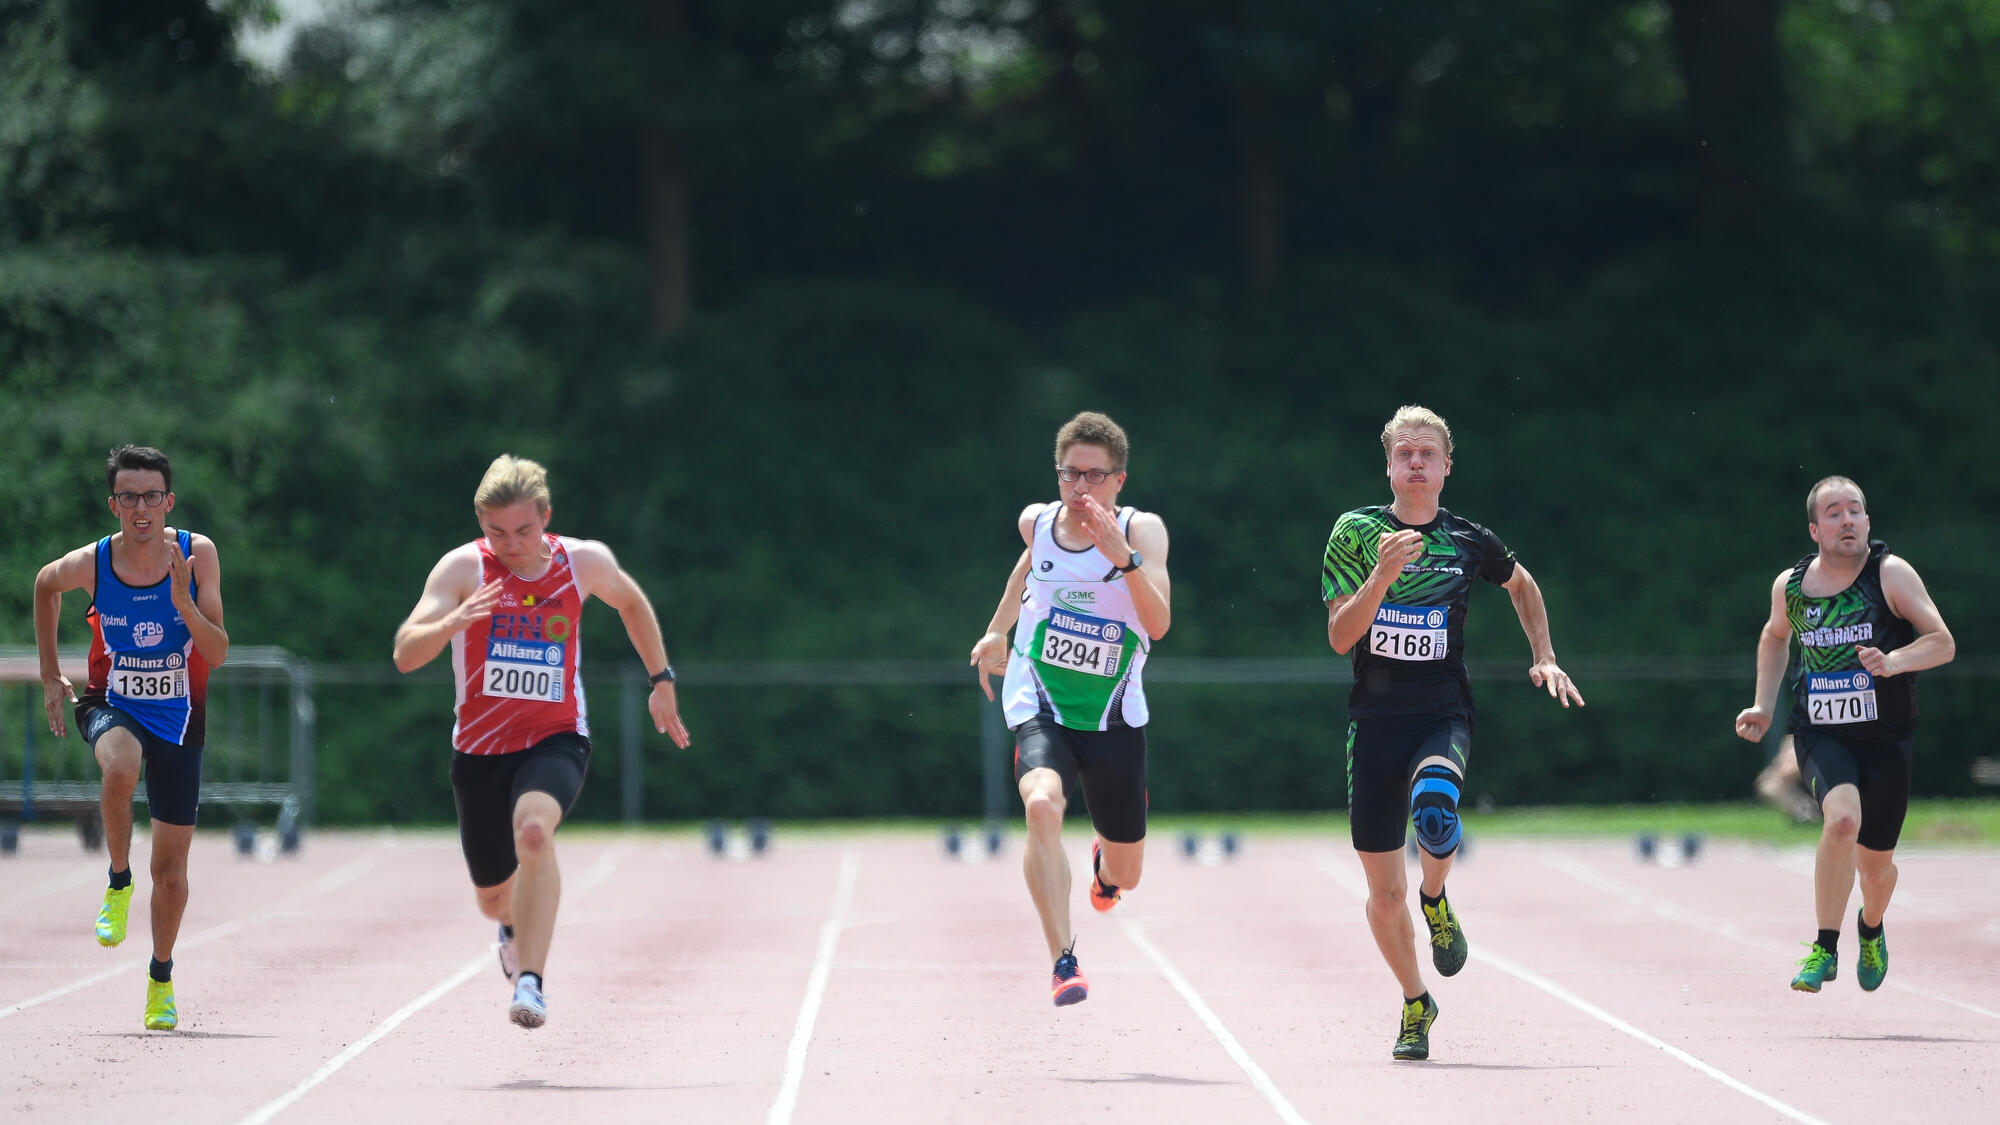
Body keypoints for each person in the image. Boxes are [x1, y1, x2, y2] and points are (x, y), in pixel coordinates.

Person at [1321, 406, 1584, 1061]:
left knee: (1436, 811)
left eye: (1427, 454)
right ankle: (1417, 1000)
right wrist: (1381, 576)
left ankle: (1435, 896)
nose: (1415, 463)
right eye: (1404, 453)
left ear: (1446, 467)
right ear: (1388, 465)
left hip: (1441, 710)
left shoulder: (1468, 540)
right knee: (1384, 895)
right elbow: (1340, 637)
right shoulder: (1356, 532)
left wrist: (1545, 654)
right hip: (1373, 723)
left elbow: (1521, 584)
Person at [393, 454, 691, 1028]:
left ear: (546, 517)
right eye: (497, 532)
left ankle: (531, 982)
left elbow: (631, 601)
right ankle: (509, 926)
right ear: (481, 525)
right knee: (492, 898)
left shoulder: (583, 562)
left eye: (524, 531)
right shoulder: (463, 569)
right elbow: (407, 653)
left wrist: (662, 680)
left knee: (533, 833)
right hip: (480, 753)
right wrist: (454, 622)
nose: (511, 544)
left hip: (555, 738)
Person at [968, 412, 1171, 1007]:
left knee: (1128, 875)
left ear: (1118, 480)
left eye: (1094, 475)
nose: (1080, 487)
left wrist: (1123, 559)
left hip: (1114, 719)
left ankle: (1105, 868)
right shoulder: (1037, 523)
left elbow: (1159, 623)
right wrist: (998, 630)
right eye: (1069, 474)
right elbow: (1029, 565)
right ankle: (1063, 960)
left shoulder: (1142, 531)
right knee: (1040, 805)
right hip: (1042, 706)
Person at [32, 445, 229, 1031]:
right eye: (128, 497)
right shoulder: (94, 563)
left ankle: (160, 977)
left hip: (181, 718)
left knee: (170, 873)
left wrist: (183, 603)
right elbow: (44, 585)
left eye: (151, 496)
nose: (140, 508)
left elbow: (217, 651)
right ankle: (118, 879)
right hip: (111, 702)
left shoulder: (197, 554)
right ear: (112, 504)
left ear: (169, 501)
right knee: (120, 766)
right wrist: (50, 672)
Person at [1734, 476, 1953, 993]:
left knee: (1876, 872)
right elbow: (1774, 636)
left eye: (1855, 510)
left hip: (1886, 739)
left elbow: (1942, 642)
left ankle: (1870, 927)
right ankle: (1825, 948)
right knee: (1842, 821)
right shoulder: (1791, 586)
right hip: (1821, 733)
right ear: (1815, 529)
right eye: (1834, 512)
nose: (1847, 520)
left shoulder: (1890, 574)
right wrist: (1763, 704)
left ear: (1868, 522)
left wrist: (1894, 660)